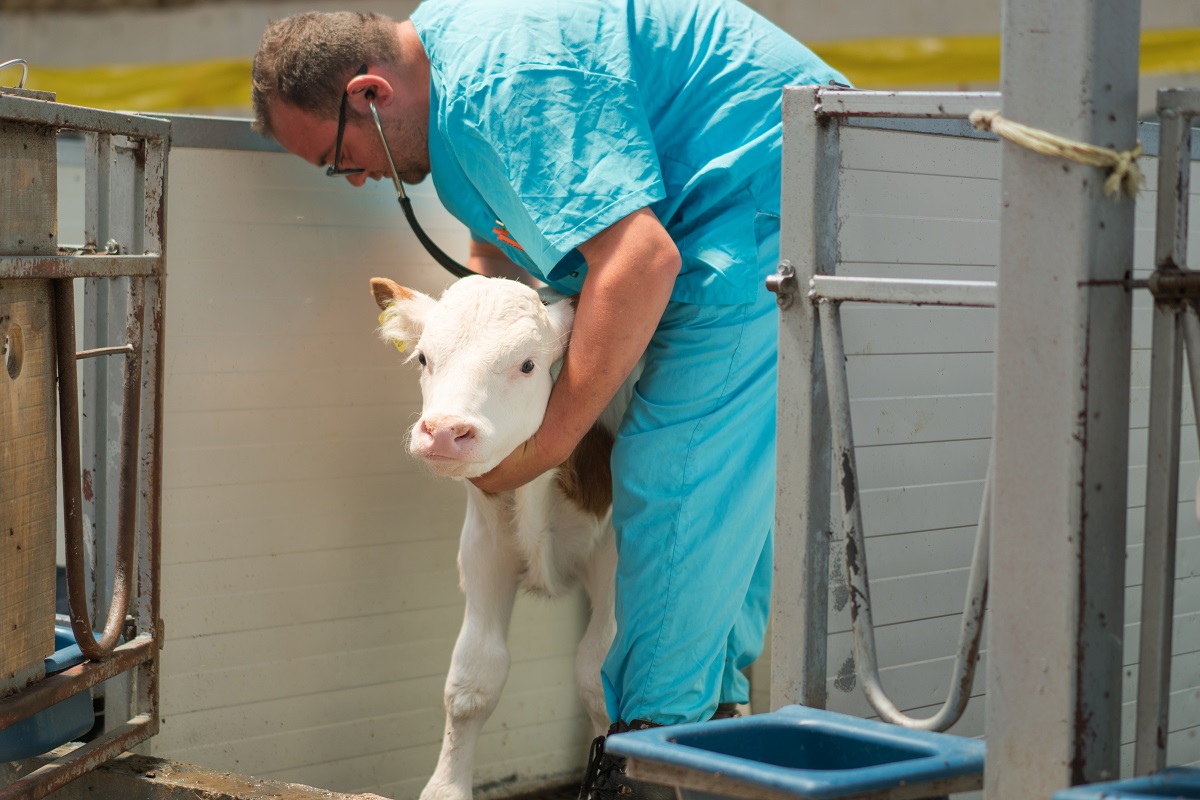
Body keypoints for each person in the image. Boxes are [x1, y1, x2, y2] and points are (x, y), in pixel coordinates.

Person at [251, 3, 845, 798]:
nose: (355, 178)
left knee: (676, 471)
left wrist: (551, 442)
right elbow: (503, 248)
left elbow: (635, 260)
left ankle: (646, 762)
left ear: (369, 94)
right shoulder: (450, 71)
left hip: (768, 201)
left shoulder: (499, 86)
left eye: (339, 158)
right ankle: (719, 721)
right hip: (771, 188)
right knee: (727, 490)